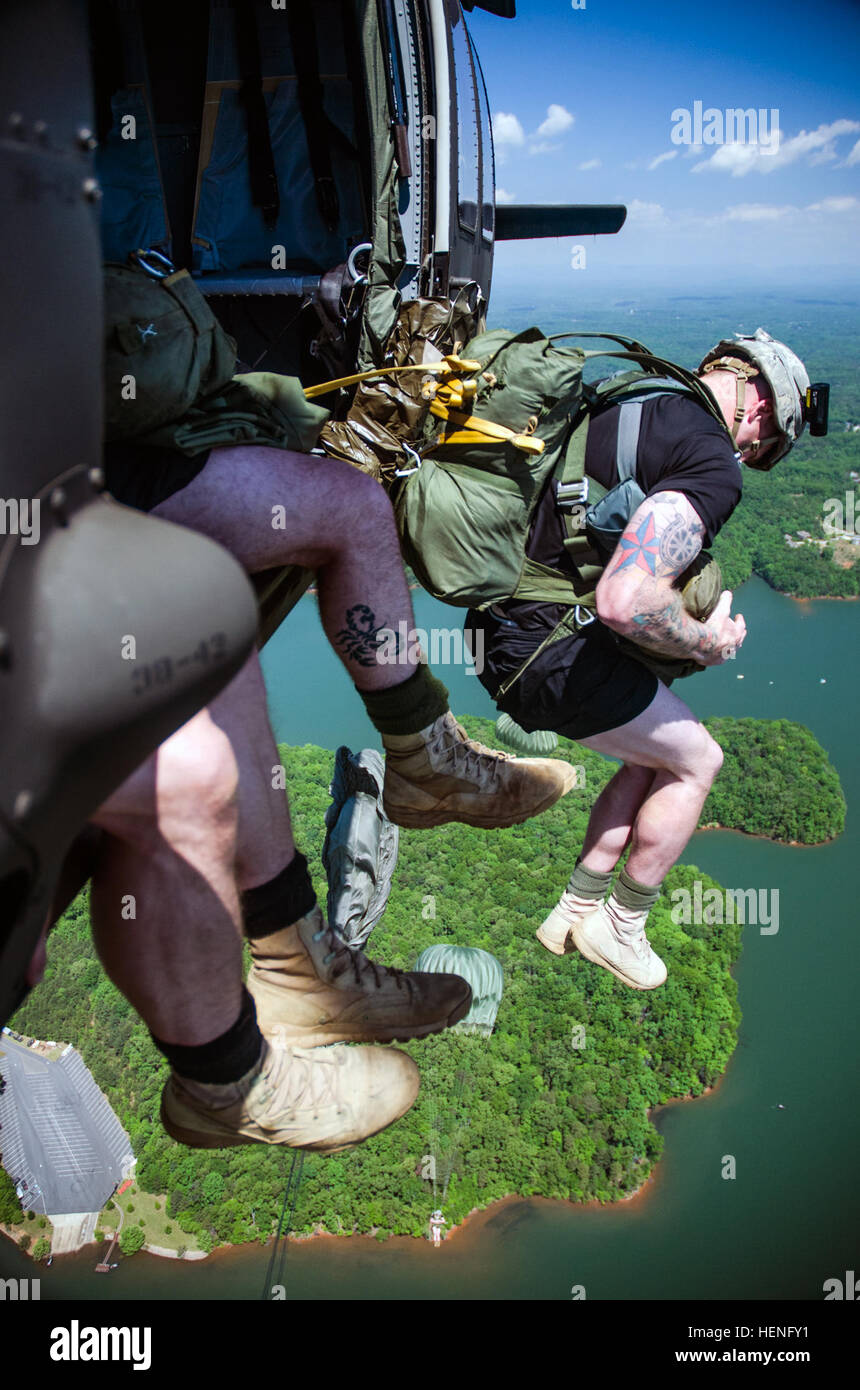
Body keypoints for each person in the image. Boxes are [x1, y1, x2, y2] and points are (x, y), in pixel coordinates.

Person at [81, 437, 577, 1154]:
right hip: (52, 511)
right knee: (188, 772)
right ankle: (225, 1082)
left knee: (323, 525)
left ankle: (305, 957)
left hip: (68, 481)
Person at [467, 330, 816, 990]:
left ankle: (574, 910)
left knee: (648, 754)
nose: (746, 456)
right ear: (762, 413)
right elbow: (626, 601)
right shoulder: (711, 460)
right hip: (546, 652)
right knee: (697, 761)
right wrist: (705, 641)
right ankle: (623, 924)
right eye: (759, 448)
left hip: (501, 630)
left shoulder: (625, 402)